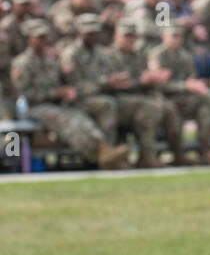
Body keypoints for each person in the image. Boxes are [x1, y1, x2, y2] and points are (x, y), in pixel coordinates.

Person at [10, 19, 129, 168]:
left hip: (57, 104)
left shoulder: (51, 59)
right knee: (66, 119)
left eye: (44, 37)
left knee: (80, 118)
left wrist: (65, 91)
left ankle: (104, 149)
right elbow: (24, 94)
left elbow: (64, 79)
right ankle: (99, 154)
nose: (43, 41)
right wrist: (55, 93)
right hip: (36, 107)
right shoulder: (22, 63)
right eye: (39, 38)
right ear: (29, 39)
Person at [101, 17, 172, 168]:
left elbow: (144, 80)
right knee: (149, 107)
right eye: (127, 36)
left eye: (133, 36)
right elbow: (115, 84)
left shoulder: (139, 55)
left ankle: (175, 154)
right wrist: (141, 81)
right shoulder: (108, 56)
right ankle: (147, 156)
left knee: (166, 106)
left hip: (137, 98)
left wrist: (154, 78)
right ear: (116, 36)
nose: (130, 40)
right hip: (116, 99)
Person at [148, 21, 210, 165]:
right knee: (173, 111)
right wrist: (185, 86)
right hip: (163, 97)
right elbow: (159, 84)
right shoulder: (157, 55)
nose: (177, 39)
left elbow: (190, 79)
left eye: (179, 36)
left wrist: (194, 85)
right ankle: (178, 154)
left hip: (184, 97)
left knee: (206, 107)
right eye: (173, 36)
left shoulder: (185, 55)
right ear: (164, 37)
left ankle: (206, 151)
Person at [59, 14, 120, 144]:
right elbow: (75, 88)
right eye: (89, 33)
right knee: (107, 104)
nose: (93, 36)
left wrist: (115, 81)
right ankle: (107, 149)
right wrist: (105, 83)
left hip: (102, 95)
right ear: (79, 33)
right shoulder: (70, 55)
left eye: (95, 33)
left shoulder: (102, 53)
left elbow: (110, 75)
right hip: (78, 101)